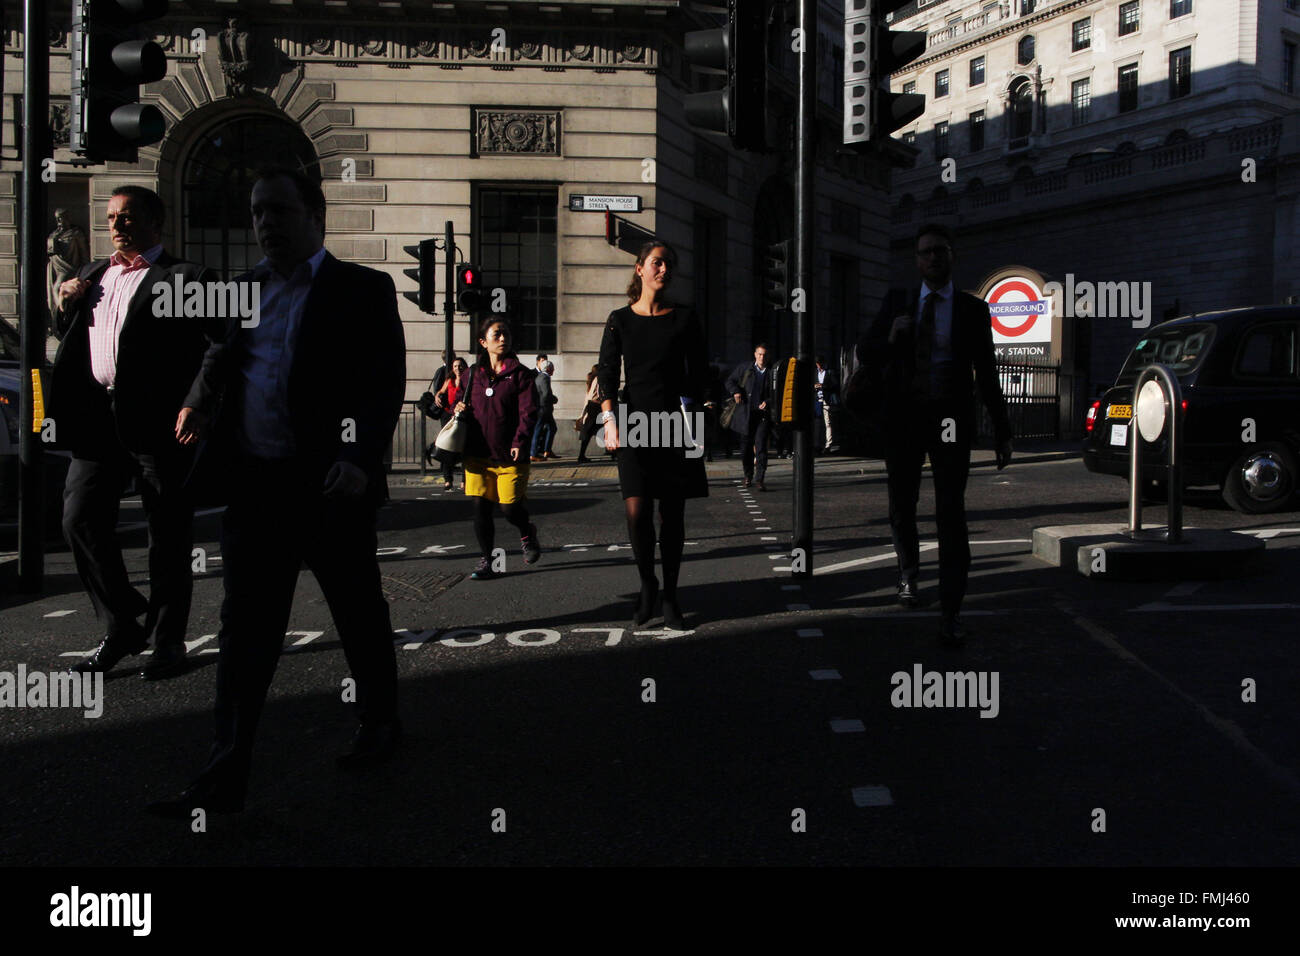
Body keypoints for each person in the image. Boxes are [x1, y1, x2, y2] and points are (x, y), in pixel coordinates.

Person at [147, 166, 407, 817]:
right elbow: (219, 356)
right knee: (245, 635)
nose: (265, 223)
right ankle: (225, 768)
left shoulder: (362, 289)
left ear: (314, 214)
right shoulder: (244, 291)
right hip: (256, 487)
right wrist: (198, 404)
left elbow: (382, 382)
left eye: (279, 212)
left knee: (356, 610)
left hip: (329, 486)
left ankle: (379, 719)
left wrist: (356, 455)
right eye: (258, 212)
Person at [50, 185, 215, 681]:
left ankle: (167, 642)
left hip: (160, 422)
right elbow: (75, 338)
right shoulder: (90, 274)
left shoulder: (186, 277)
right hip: (97, 418)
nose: (117, 225)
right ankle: (122, 622)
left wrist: (196, 402)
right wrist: (63, 304)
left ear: (155, 222)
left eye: (128, 216)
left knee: (166, 535)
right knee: (78, 518)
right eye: (111, 217)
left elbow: (218, 346)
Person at [857, 222, 1012, 647]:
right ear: (916, 260)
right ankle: (908, 575)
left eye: (939, 251)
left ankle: (951, 609)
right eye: (925, 252)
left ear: (952, 256)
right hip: (904, 419)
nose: (932, 258)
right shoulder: (898, 302)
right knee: (902, 505)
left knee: (950, 513)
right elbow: (864, 352)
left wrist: (1001, 431)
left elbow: (988, 373)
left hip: (949, 421)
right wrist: (891, 336)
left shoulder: (971, 309)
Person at [597, 240, 708, 629]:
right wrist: (609, 421)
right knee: (637, 511)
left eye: (669, 265)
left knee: (672, 515)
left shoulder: (685, 318)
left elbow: (699, 373)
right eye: (657, 263)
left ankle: (671, 596)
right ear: (640, 268)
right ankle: (647, 583)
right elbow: (607, 374)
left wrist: (698, 413)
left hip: (676, 424)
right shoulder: (619, 320)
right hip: (633, 424)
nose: (665, 270)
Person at [456, 317, 542, 580]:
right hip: (477, 453)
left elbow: (529, 412)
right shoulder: (471, 375)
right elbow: (460, 403)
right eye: (497, 335)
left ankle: (527, 531)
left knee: (509, 508)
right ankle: (489, 562)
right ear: (483, 342)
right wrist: (456, 407)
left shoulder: (521, 375)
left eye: (506, 334)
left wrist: (520, 441)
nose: (503, 339)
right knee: (480, 508)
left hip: (510, 455)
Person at [725, 344, 775, 490]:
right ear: (755, 354)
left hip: (763, 416)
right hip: (745, 414)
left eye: (765, 355)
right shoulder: (745, 368)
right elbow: (730, 381)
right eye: (759, 354)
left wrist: (768, 402)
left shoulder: (772, 372)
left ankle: (760, 479)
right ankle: (748, 475)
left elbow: (777, 392)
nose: (762, 357)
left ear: (768, 356)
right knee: (746, 448)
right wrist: (735, 392)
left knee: (760, 447)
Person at [47, 207, 89, 336]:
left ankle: (63, 315)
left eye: (61, 217)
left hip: (70, 267)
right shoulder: (54, 233)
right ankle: (58, 318)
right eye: (57, 218)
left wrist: (87, 269)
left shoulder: (76, 233)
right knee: (55, 291)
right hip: (55, 267)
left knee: (58, 288)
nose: (59, 221)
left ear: (67, 218)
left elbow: (84, 253)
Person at [432, 356, 469, 490]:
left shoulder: (469, 380)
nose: (458, 369)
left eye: (460, 366)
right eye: (455, 366)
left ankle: (464, 481)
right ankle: (448, 479)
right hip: (449, 416)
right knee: (447, 447)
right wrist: (437, 397)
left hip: (464, 416)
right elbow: (440, 391)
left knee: (464, 449)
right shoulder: (450, 380)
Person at [530, 354, 559, 461]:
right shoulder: (545, 377)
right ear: (549, 369)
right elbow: (546, 394)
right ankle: (534, 453)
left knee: (552, 428)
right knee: (539, 430)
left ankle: (546, 450)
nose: (554, 370)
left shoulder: (540, 377)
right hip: (544, 409)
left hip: (543, 408)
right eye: (553, 368)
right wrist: (554, 399)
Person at [575, 364, 602, 463]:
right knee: (601, 429)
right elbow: (600, 394)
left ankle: (581, 455)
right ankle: (613, 452)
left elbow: (587, 397)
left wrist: (583, 414)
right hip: (597, 407)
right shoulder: (599, 379)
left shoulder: (591, 380)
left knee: (589, 432)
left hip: (591, 407)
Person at [814, 355, 840, 454]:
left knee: (827, 423)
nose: (819, 366)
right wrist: (815, 386)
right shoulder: (815, 372)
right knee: (817, 423)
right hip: (817, 399)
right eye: (817, 364)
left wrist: (823, 386)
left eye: (820, 364)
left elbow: (835, 385)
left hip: (826, 399)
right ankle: (818, 444)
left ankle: (828, 444)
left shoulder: (829, 372)